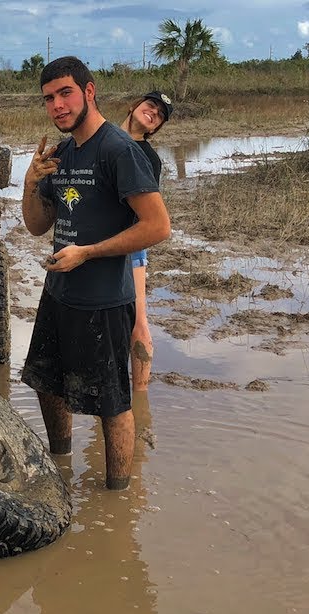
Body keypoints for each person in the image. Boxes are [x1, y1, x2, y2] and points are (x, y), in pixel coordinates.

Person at [20, 57, 171, 491]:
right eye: (49, 98)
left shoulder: (119, 150)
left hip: (105, 297)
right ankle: (60, 464)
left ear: (89, 92)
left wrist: (87, 253)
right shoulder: (62, 153)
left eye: (65, 93)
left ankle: (118, 494)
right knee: (46, 381)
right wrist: (30, 183)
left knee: (112, 402)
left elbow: (157, 227)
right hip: (59, 290)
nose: (57, 106)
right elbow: (36, 225)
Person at [120, 90, 173, 390]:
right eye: (150, 106)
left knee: (138, 320)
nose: (153, 113)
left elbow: (147, 215)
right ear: (134, 106)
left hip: (130, 244)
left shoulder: (148, 159)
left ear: (155, 128)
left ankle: (140, 394)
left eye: (159, 116)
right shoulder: (102, 138)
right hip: (95, 240)